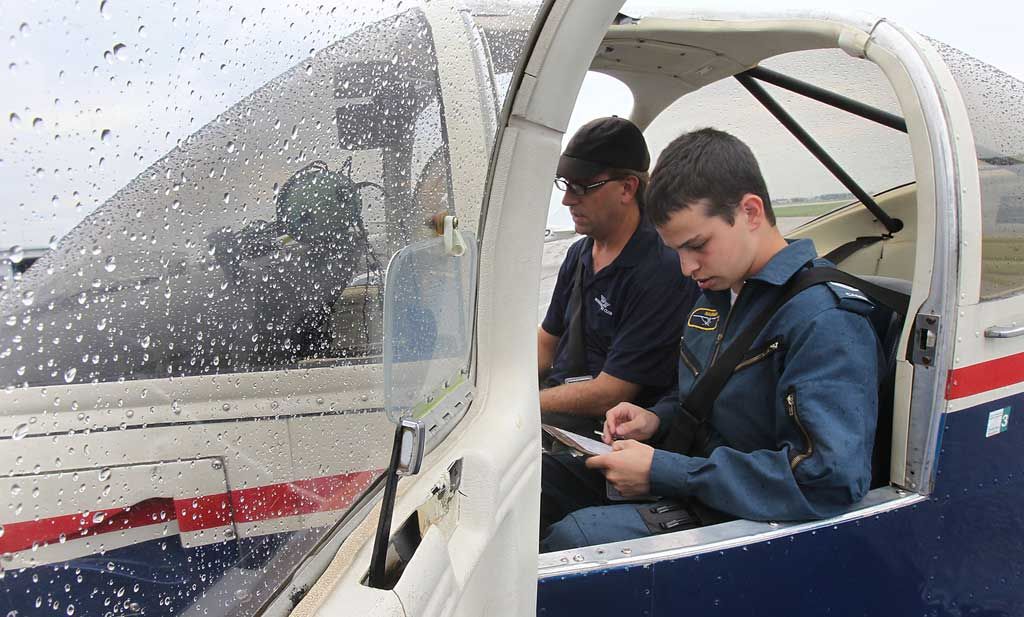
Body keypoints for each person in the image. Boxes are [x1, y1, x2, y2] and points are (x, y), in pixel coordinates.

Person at [540, 128, 882, 551]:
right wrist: (657, 419)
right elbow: (702, 397)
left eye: (697, 246)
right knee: (534, 483)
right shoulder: (718, 298)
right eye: (676, 250)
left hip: (740, 509)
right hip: (688, 473)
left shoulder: (825, 321)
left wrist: (665, 471)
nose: (686, 268)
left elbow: (828, 479)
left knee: (573, 540)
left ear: (751, 212)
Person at [539, 117, 699, 427]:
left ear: (627, 188)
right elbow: (547, 342)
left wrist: (525, 405)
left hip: (610, 434)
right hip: (556, 417)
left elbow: (610, 393)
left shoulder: (661, 268)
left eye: (582, 187)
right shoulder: (579, 254)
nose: (568, 199)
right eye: (565, 184)